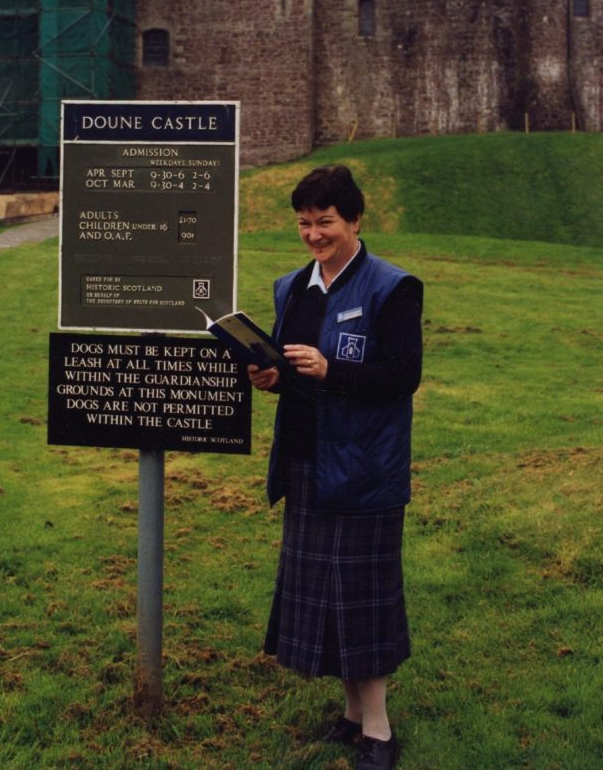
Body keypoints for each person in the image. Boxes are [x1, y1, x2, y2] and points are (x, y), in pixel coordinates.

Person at [248, 165, 423, 770]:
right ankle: (352, 716)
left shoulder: (393, 287)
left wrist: (333, 371)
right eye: (304, 223)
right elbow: (291, 376)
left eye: (326, 222)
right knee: (326, 599)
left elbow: (404, 377)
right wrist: (270, 378)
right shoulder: (290, 288)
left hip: (362, 468)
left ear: (355, 221)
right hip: (304, 461)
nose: (314, 234)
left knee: (361, 599)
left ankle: (379, 730)